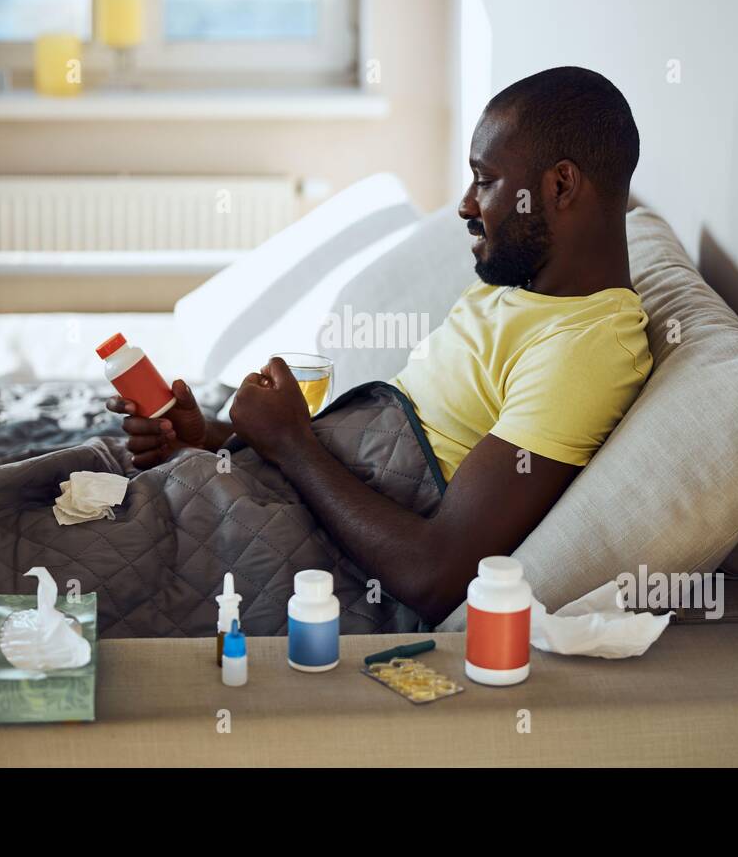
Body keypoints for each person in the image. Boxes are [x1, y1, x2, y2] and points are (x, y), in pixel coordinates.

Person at [107, 67, 653, 627]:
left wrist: (291, 440)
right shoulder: (515, 292)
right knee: (57, 492)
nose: (466, 205)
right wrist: (212, 440)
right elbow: (364, 460)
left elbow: (435, 573)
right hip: (256, 495)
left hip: (295, 564)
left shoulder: (587, 347)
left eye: (484, 180)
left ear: (560, 185)